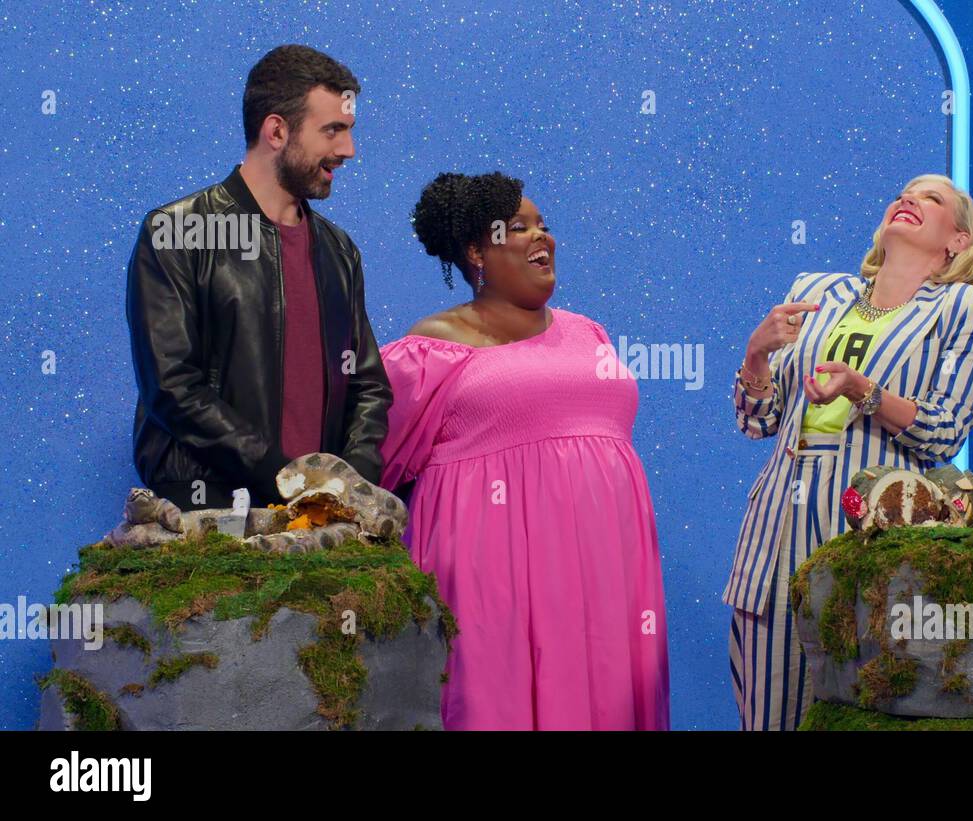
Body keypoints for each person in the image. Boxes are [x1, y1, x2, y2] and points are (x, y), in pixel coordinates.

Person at [378, 171, 671, 730]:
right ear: (475, 251)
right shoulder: (432, 347)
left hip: (607, 576)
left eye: (544, 225)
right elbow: (374, 470)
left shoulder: (590, 334)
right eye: (519, 227)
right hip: (495, 579)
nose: (543, 237)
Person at [727, 173, 973, 730]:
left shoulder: (964, 307)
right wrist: (756, 356)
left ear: (959, 242)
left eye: (932, 199)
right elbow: (759, 421)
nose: (908, 200)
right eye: (904, 193)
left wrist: (863, 390)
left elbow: (945, 431)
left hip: (874, 527)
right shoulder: (816, 291)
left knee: (867, 709)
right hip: (778, 525)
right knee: (770, 713)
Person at [126, 45, 391, 511]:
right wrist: (285, 478)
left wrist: (351, 487)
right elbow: (172, 386)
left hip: (321, 526)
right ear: (276, 130)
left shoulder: (338, 250)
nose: (348, 150)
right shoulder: (178, 231)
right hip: (209, 521)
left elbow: (367, 385)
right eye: (333, 131)